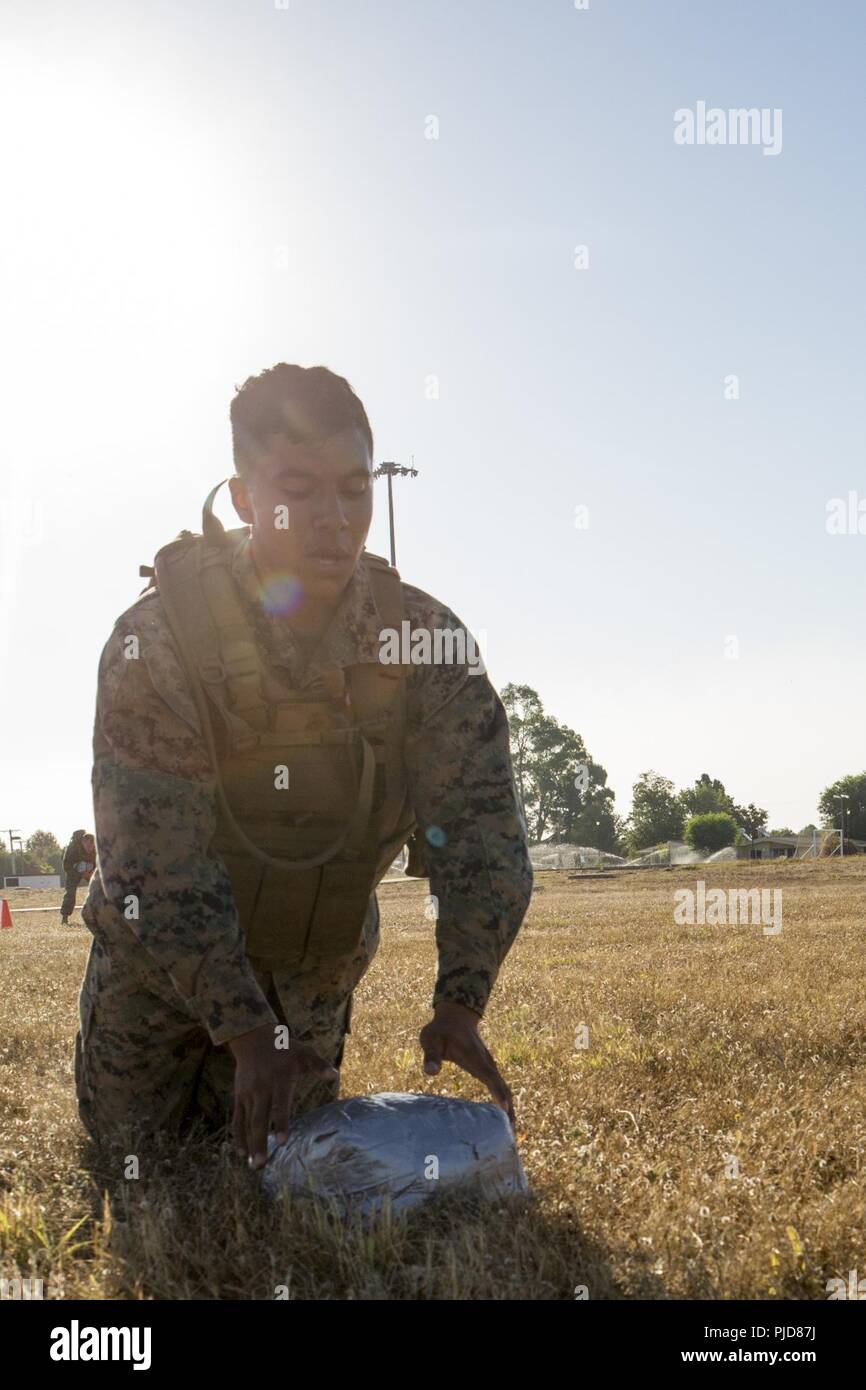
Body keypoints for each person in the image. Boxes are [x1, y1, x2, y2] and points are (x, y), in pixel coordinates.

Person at [75, 363, 532, 1166]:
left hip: (308, 977)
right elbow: (153, 864)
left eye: (354, 490)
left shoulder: (425, 643)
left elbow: (483, 831)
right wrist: (245, 1034)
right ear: (245, 496)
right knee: (137, 1159)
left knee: (274, 1166)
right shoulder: (161, 641)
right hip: (161, 976)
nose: (333, 517)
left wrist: (460, 1002)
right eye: (299, 488)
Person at [60, 830, 95, 925]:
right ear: (82, 842)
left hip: (90, 868)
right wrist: (80, 874)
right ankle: (65, 917)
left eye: (92, 846)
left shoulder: (97, 849)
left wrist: (92, 874)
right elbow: (66, 866)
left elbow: (100, 865)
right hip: (74, 869)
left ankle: (98, 914)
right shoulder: (72, 849)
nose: (90, 848)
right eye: (87, 845)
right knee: (70, 892)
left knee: (98, 889)